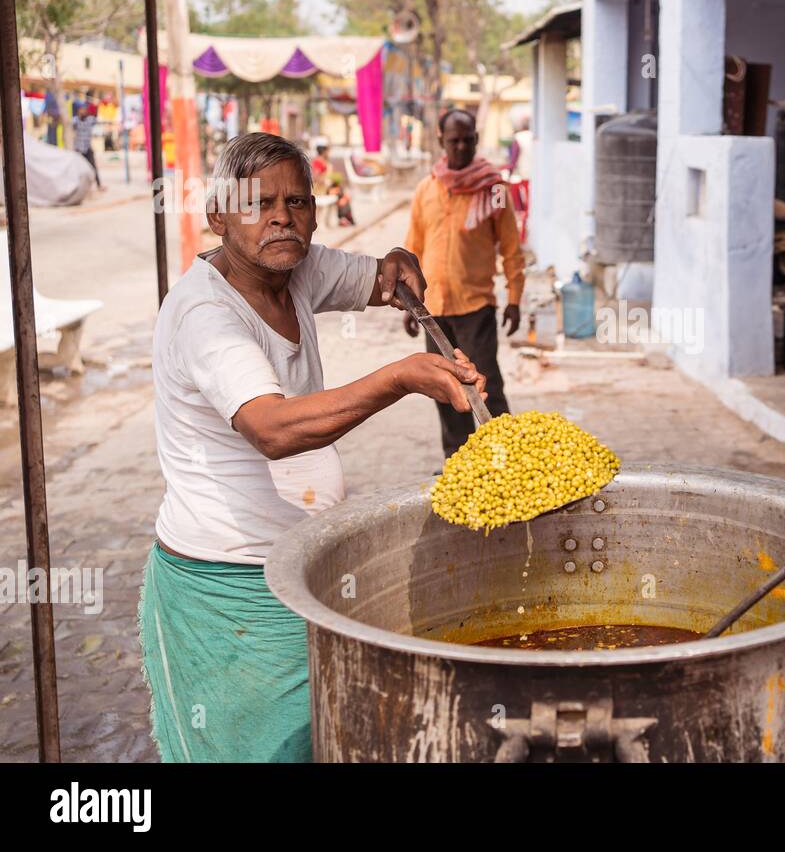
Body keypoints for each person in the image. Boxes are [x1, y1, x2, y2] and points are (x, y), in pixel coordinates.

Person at [139, 132, 487, 762]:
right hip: (228, 580)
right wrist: (400, 377)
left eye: (297, 202)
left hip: (298, 561)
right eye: (259, 204)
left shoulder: (295, 267)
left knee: (311, 740)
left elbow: (381, 280)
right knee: (257, 750)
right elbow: (273, 429)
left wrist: (401, 263)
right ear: (218, 217)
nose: (280, 217)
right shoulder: (205, 314)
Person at [403, 108, 525, 458]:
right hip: (434, 310)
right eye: (453, 140)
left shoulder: (494, 189)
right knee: (445, 389)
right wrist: (410, 302)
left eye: (467, 140)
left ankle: (504, 461)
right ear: (441, 141)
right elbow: (413, 249)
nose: (460, 147)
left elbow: (512, 248)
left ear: (476, 140)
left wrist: (514, 299)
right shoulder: (427, 188)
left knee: (488, 387)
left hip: (476, 308)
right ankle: (459, 465)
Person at [310, 139, 355, 226]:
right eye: (327, 151)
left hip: (328, 188)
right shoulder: (318, 162)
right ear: (323, 151)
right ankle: (345, 217)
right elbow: (315, 178)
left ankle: (344, 217)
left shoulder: (325, 161)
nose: (329, 153)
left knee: (343, 195)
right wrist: (327, 180)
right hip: (321, 189)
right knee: (342, 195)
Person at [72, 104, 101, 190]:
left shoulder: (90, 120)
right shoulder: (75, 120)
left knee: (93, 167)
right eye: (81, 110)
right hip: (78, 149)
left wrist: (95, 106)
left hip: (87, 148)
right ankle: (78, 186)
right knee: (78, 169)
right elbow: (71, 124)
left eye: (84, 109)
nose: (83, 111)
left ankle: (99, 185)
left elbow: (96, 117)